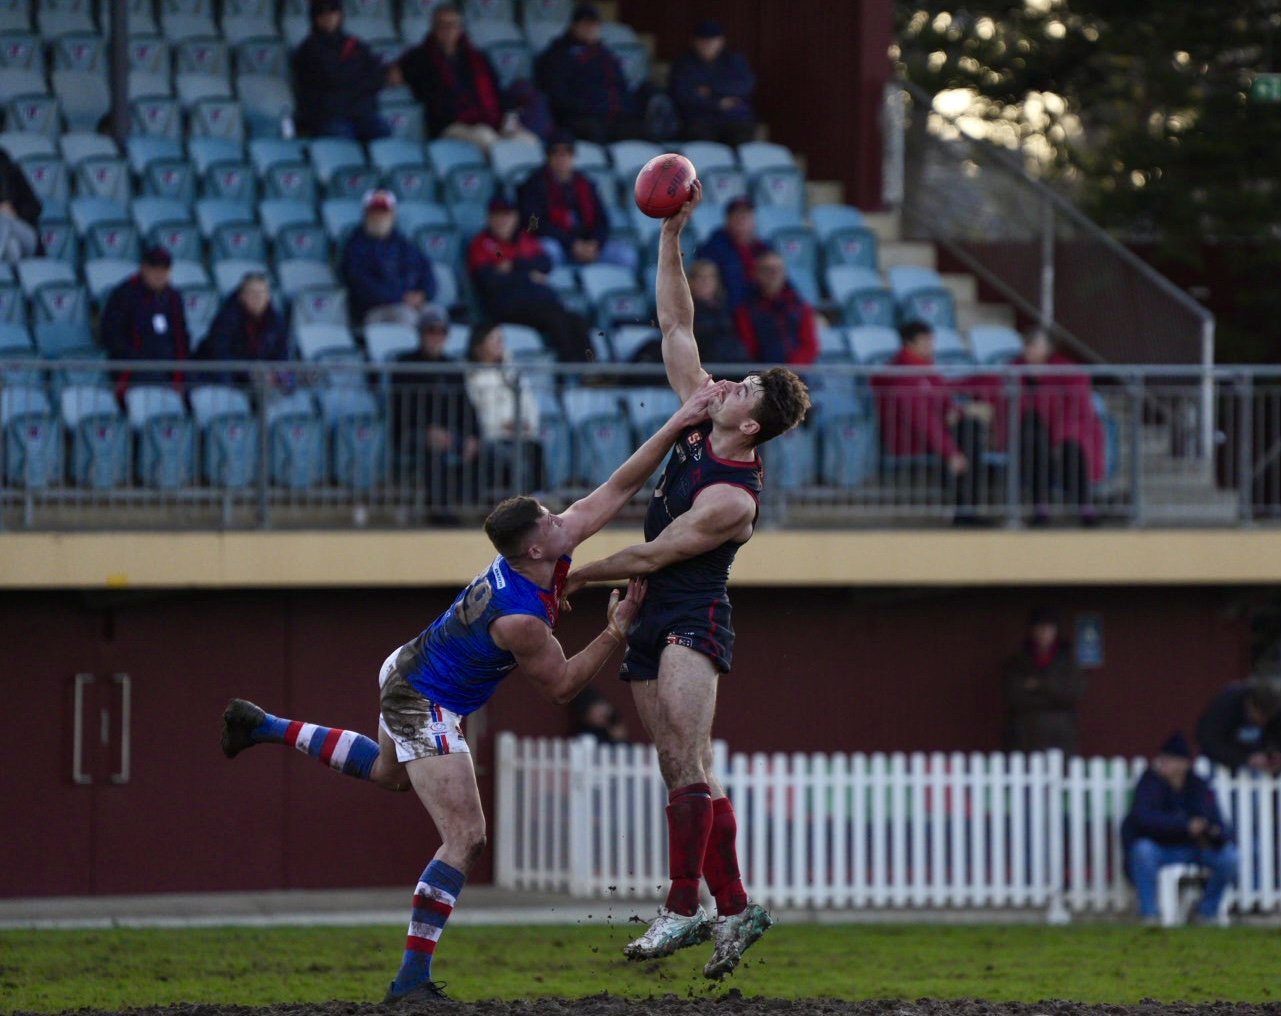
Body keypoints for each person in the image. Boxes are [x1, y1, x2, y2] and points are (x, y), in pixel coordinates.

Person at [219, 380, 722, 1003]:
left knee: (387, 772)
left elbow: (619, 486)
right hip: (422, 699)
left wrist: (679, 422)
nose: (563, 517)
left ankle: (264, 725)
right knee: (467, 838)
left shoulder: (540, 555)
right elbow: (563, 687)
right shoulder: (521, 618)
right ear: (537, 547)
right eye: (550, 519)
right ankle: (411, 982)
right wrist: (617, 628)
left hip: (406, 669)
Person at [563, 181, 810, 979]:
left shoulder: (729, 500)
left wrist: (567, 577)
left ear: (751, 423)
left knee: (685, 755)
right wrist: (671, 235)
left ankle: (680, 909)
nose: (727, 383)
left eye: (741, 390)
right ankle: (736, 910)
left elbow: (648, 554)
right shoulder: (706, 415)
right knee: (679, 765)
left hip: (692, 611)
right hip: (650, 607)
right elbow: (676, 323)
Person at [869, 320, 994, 526]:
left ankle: (967, 507)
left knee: (970, 427)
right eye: (925, 341)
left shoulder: (925, 368)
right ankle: (964, 508)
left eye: (931, 341)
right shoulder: (903, 374)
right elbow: (921, 420)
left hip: (933, 435)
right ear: (909, 344)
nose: (931, 346)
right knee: (966, 436)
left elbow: (943, 400)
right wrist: (950, 453)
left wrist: (955, 411)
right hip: (910, 438)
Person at [1121, 732, 1239, 925]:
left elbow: (1216, 821)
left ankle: (1206, 912)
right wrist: (1184, 826)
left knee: (1231, 858)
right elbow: (1142, 819)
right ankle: (1149, 914)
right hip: (1161, 847)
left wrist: (1213, 832)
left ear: (1183, 764)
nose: (1161, 763)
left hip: (1196, 848)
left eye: (1167, 759)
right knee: (1142, 850)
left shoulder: (1199, 786)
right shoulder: (1149, 783)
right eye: (1161, 759)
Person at [391, 2, 542, 151]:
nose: (448, 30)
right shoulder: (420, 57)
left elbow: (497, 91)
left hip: (489, 120)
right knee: (486, 138)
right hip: (450, 125)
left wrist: (508, 121)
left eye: (453, 25)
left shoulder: (476, 58)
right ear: (433, 28)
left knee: (529, 142)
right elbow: (396, 74)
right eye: (442, 25)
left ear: (460, 28)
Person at [465, 194, 593, 363]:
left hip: (537, 302)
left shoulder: (524, 239)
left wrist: (513, 266)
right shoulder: (481, 244)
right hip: (506, 305)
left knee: (576, 320)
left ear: (515, 217)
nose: (503, 221)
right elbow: (488, 281)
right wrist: (528, 275)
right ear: (489, 219)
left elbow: (545, 262)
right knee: (554, 318)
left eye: (507, 215)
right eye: (498, 216)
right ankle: (572, 372)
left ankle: (592, 369)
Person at [390, 305, 480, 518]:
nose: (437, 336)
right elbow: (402, 409)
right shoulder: (405, 366)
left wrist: (473, 436)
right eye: (431, 330)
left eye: (442, 331)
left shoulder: (452, 368)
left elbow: (467, 407)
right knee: (433, 448)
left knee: (484, 450)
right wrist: (429, 429)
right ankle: (439, 508)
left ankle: (474, 505)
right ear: (421, 333)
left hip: (450, 433)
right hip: (413, 432)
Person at [1013, 329, 1105, 526]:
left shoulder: (1067, 371)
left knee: (1072, 450)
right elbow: (988, 384)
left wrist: (1059, 438)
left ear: (1048, 349)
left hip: (1066, 428)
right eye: (1027, 346)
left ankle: (1086, 508)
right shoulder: (1015, 367)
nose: (1029, 350)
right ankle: (1041, 508)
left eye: (1034, 346)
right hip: (1030, 427)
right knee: (1034, 447)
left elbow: (1075, 411)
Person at [517, 129, 637, 272]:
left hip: (587, 244)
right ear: (547, 156)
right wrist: (571, 243)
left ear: (573, 156)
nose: (562, 158)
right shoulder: (534, 184)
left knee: (625, 255)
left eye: (567, 152)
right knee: (549, 250)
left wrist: (595, 243)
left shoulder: (584, 183)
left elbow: (602, 220)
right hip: (558, 243)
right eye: (556, 152)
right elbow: (533, 224)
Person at [534, 3, 644, 143]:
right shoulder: (558, 54)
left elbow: (620, 88)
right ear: (573, 26)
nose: (590, 29)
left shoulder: (605, 55)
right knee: (595, 131)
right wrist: (590, 109)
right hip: (579, 118)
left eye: (593, 25)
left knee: (643, 132)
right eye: (585, 24)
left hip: (614, 118)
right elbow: (557, 94)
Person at [292, 0, 391, 141]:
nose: (328, 17)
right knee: (343, 138)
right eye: (322, 13)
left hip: (360, 113)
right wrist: (359, 75)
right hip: (328, 116)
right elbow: (334, 78)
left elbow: (378, 77)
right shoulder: (309, 49)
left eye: (333, 11)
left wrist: (349, 75)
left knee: (382, 132)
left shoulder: (356, 44)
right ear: (314, 17)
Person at [99, 246, 190, 398]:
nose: (160, 275)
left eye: (164, 270)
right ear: (144, 268)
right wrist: (136, 360)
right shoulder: (125, 294)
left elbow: (182, 335)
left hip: (170, 366)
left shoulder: (173, 297)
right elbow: (110, 334)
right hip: (134, 367)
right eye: (155, 269)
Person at [464, 321, 544, 493]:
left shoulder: (513, 372)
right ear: (479, 346)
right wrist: (503, 425)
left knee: (536, 448)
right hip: (494, 437)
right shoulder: (472, 377)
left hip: (521, 434)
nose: (500, 345)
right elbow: (478, 410)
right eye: (495, 340)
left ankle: (539, 498)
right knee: (509, 456)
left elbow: (528, 402)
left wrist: (527, 423)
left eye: (501, 340)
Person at [340, 189, 436, 327]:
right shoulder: (355, 245)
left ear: (392, 213)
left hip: (410, 303)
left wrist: (424, 294)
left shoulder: (403, 243)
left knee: (435, 315)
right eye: (375, 211)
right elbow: (362, 285)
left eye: (384, 211)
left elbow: (425, 269)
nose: (379, 216)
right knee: (405, 316)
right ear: (366, 212)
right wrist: (400, 297)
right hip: (374, 309)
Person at [1000, 605, 1087, 755]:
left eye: (1048, 629)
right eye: (1040, 629)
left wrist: (1038, 685)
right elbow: (1015, 696)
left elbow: (1071, 694)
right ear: (1032, 631)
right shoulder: (1017, 662)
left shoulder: (1069, 663)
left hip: (1062, 738)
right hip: (1025, 738)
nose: (1044, 634)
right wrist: (1054, 693)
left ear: (1055, 631)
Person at [195, 273, 293, 389]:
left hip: (260, 376)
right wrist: (248, 372)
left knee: (288, 382)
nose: (258, 297)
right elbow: (220, 354)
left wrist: (274, 374)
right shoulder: (226, 318)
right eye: (252, 293)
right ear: (242, 296)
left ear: (268, 296)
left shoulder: (277, 320)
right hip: (229, 376)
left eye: (262, 293)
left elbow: (282, 354)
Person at [667, 19, 756, 146]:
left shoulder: (734, 60)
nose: (707, 45)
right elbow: (683, 96)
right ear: (695, 42)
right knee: (699, 137)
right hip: (699, 119)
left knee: (743, 134)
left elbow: (744, 86)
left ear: (721, 42)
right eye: (703, 41)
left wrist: (711, 89)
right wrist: (717, 103)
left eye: (712, 41)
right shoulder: (683, 64)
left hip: (733, 118)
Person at [733, 251, 819, 366]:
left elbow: (809, 346)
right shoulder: (745, 311)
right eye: (767, 269)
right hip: (761, 375)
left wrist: (789, 371)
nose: (773, 274)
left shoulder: (801, 308)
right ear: (756, 274)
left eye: (777, 269)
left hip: (796, 375)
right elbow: (749, 348)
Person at [693, 197, 771, 312]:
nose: (742, 220)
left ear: (754, 220)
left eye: (746, 216)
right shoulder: (713, 248)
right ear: (727, 220)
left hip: (760, 313)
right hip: (727, 314)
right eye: (737, 216)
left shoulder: (763, 248)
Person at [1195, 680, 1281, 774]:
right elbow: (1209, 741)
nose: (1263, 722)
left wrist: (1273, 754)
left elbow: (1275, 737)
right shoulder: (1227, 704)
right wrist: (1245, 758)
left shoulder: (1274, 712)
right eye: (1260, 716)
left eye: (1268, 717)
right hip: (1219, 766)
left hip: (1258, 772)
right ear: (1250, 703)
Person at [0, 143, 41, 264]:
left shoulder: (9, 170)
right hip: (9, 242)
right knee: (12, 247)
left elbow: (35, 208)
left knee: (2, 220)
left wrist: (15, 212)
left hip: (25, 234)